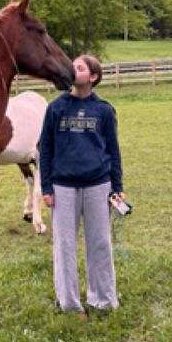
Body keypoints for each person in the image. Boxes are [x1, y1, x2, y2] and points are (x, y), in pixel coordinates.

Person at [39, 54, 125, 316]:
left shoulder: (104, 111)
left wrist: (117, 186)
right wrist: (46, 188)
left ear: (93, 77)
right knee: (64, 246)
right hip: (63, 187)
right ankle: (69, 303)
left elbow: (113, 150)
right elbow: (45, 150)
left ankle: (103, 299)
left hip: (98, 185)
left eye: (79, 67)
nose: (72, 70)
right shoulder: (55, 109)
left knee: (99, 243)